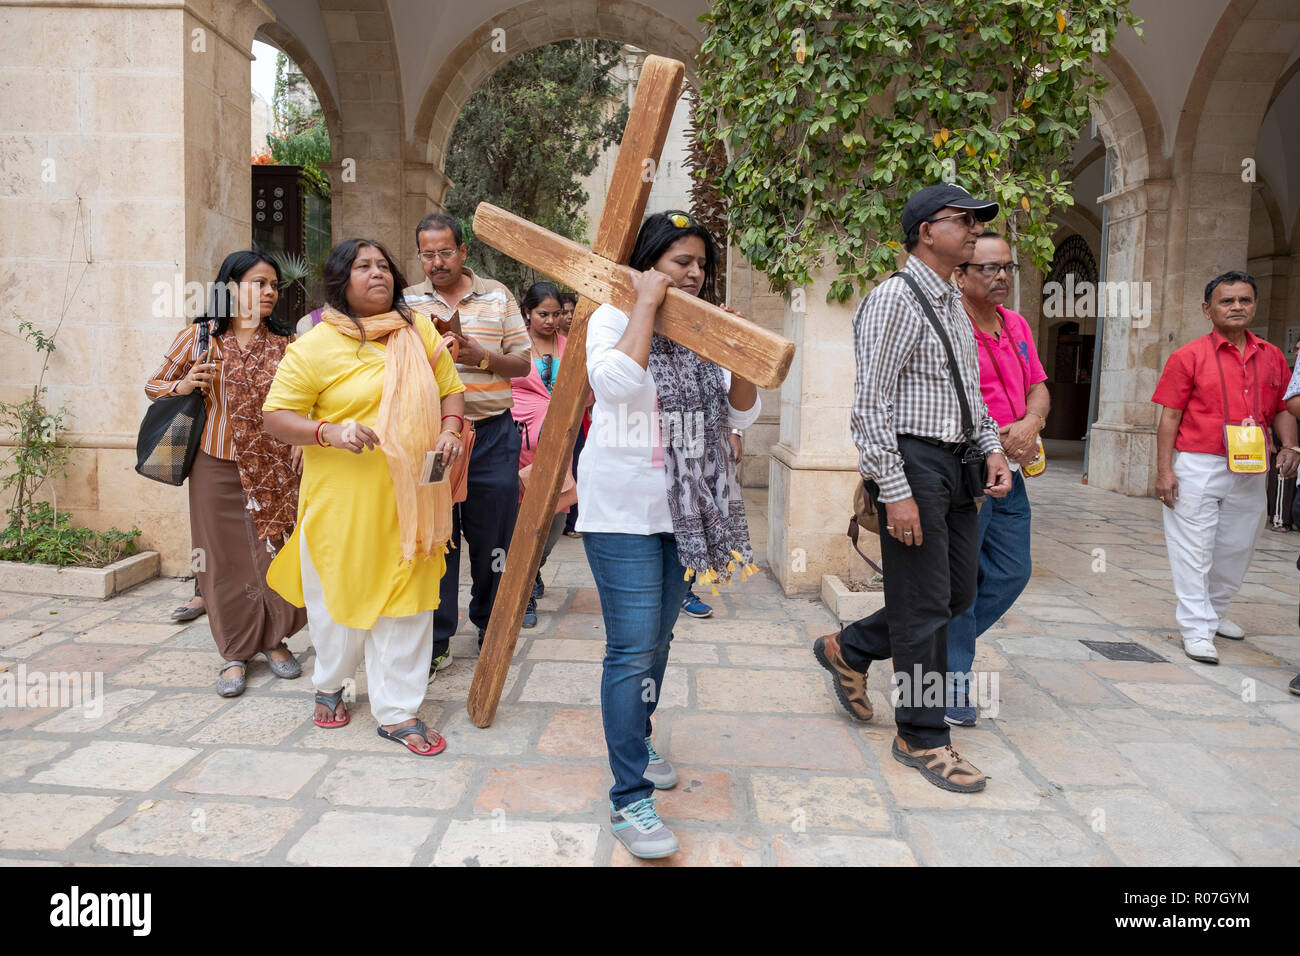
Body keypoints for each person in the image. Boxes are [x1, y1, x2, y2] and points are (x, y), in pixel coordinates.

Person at [815, 183, 1011, 794]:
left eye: (979, 222)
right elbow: (869, 404)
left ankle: (850, 647)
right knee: (926, 605)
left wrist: (992, 448)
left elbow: (966, 391)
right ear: (927, 230)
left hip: (956, 467)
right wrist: (893, 487)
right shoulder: (892, 300)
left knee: (957, 593)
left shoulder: (952, 298)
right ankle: (922, 736)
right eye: (965, 220)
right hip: (913, 465)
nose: (976, 229)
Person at [581, 210, 761, 859]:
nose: (694, 273)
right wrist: (647, 308)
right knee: (630, 649)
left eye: (700, 265)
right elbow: (614, 383)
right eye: (679, 261)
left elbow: (743, 409)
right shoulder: (612, 316)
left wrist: (738, 345)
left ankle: (640, 735)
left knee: (659, 639)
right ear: (650, 263)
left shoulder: (704, 332)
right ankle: (629, 800)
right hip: (622, 510)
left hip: (686, 511)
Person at [263, 238, 466, 755]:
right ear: (340, 280)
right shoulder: (313, 344)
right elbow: (276, 417)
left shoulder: (417, 330)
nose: (378, 273)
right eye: (363, 266)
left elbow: (450, 387)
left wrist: (449, 427)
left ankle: (398, 711)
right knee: (338, 602)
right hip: (344, 503)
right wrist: (329, 432)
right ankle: (331, 682)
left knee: (410, 602)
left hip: (416, 498)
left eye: (384, 265)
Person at [146, 248, 307, 697]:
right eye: (260, 283)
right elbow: (154, 384)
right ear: (231, 288)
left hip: (274, 466)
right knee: (221, 558)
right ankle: (234, 651)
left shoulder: (286, 344)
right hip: (214, 464)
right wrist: (183, 384)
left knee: (272, 549)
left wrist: (301, 442)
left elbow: (305, 400)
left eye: (274, 285)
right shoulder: (200, 339)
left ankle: (275, 641)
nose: (271, 292)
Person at [402, 213, 531, 675]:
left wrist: (483, 356)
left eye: (445, 252)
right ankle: (437, 637)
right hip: (432, 441)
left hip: (493, 435)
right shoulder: (406, 301)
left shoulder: (498, 296)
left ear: (463, 251)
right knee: (438, 534)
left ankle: (489, 622)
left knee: (492, 535)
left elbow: (522, 365)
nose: (437, 262)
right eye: (428, 254)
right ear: (419, 255)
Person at [1153, 270, 1299, 664]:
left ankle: (1214, 614)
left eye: (1245, 300)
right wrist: (1165, 471)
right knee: (1194, 548)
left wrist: (1291, 444)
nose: (1237, 307)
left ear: (1254, 305)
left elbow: (1283, 408)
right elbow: (1169, 418)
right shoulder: (1188, 356)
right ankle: (1195, 629)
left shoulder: (1271, 356)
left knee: (1237, 546)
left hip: (1252, 465)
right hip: (1199, 463)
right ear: (1207, 309)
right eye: (1226, 300)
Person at [944, 232, 1050, 726]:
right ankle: (951, 681)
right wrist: (992, 444)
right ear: (959, 275)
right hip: (971, 468)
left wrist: (1031, 423)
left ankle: (932, 645)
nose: (1001, 276)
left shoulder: (1017, 324)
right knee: (961, 581)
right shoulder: (949, 326)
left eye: (1006, 267)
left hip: (1017, 469)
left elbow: (1038, 387)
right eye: (987, 268)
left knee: (1013, 571)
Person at [511, 281, 584, 629]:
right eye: (544, 313)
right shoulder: (512, 344)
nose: (551, 320)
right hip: (519, 442)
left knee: (555, 518)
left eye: (556, 314)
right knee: (519, 518)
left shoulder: (570, 347)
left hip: (558, 445)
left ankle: (534, 568)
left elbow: (585, 391)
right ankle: (522, 592)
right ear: (527, 312)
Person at [680, 429, 744, 619]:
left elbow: (731, 401)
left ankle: (683, 590)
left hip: (699, 432)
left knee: (696, 511)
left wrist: (735, 431)